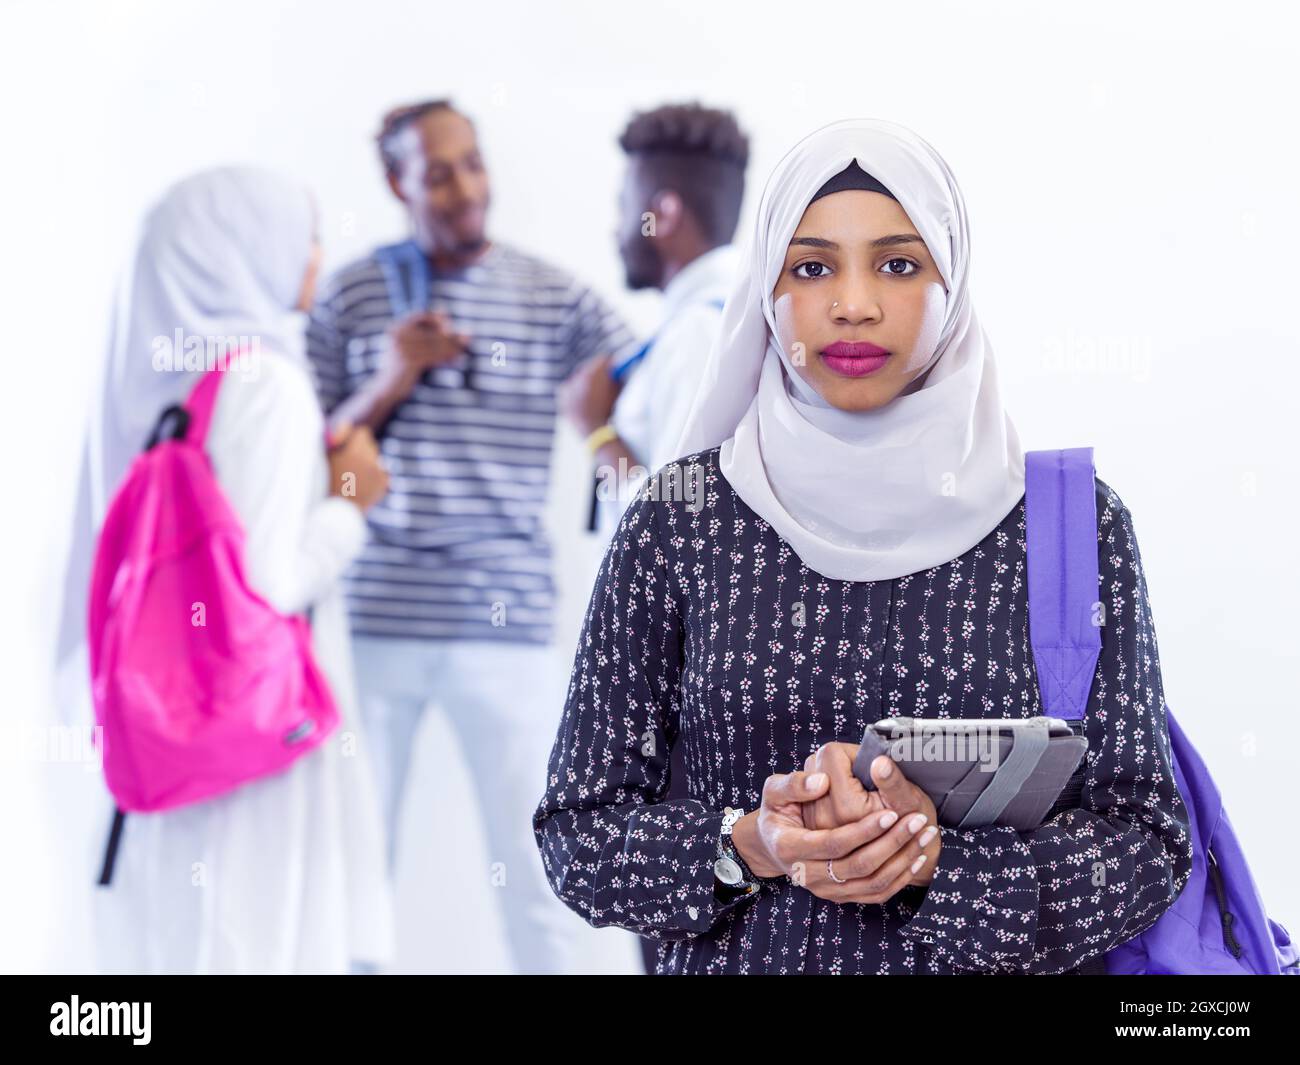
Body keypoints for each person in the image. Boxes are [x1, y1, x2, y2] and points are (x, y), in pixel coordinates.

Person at [533, 118, 1194, 975]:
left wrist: (936, 869)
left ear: (950, 283)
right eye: (812, 267)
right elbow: (578, 833)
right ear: (766, 289)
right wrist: (751, 843)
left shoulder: (1070, 524)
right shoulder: (680, 518)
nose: (853, 302)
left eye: (898, 263)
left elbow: (1148, 840)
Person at [304, 99, 642, 974]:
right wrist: (390, 376)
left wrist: (616, 454)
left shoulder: (552, 294)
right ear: (396, 183)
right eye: (437, 171)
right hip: (376, 618)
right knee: (353, 872)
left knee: (542, 867)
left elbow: (652, 388)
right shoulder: (351, 294)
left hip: (507, 623)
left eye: (472, 163)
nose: (463, 188)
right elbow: (302, 458)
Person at [83, 166, 395, 974]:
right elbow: (270, 585)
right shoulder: (264, 383)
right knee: (255, 938)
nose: (320, 254)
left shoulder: (157, 379)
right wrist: (351, 502)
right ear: (247, 248)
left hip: (172, 729)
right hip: (260, 736)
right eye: (307, 235)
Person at [559, 102, 747, 536]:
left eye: (624, 205)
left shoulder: (698, 334)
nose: (616, 229)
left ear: (661, 215)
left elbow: (677, 520)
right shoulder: (715, 322)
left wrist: (598, 432)